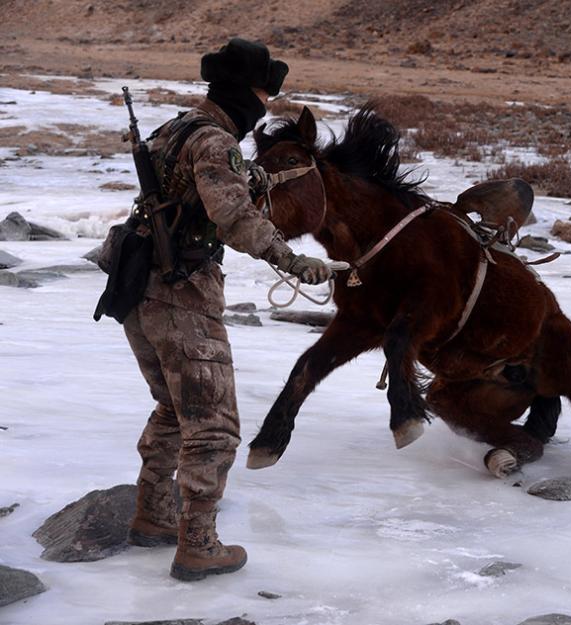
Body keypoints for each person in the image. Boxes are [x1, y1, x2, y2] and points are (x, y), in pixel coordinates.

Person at [122, 38, 331, 581]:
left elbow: (193, 191)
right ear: (245, 91)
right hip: (180, 291)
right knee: (213, 425)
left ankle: (153, 514)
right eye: (265, 90)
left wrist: (252, 177)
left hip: (137, 288)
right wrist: (290, 259)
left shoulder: (179, 127)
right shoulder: (215, 142)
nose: (267, 102)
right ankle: (198, 544)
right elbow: (233, 218)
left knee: (173, 408)